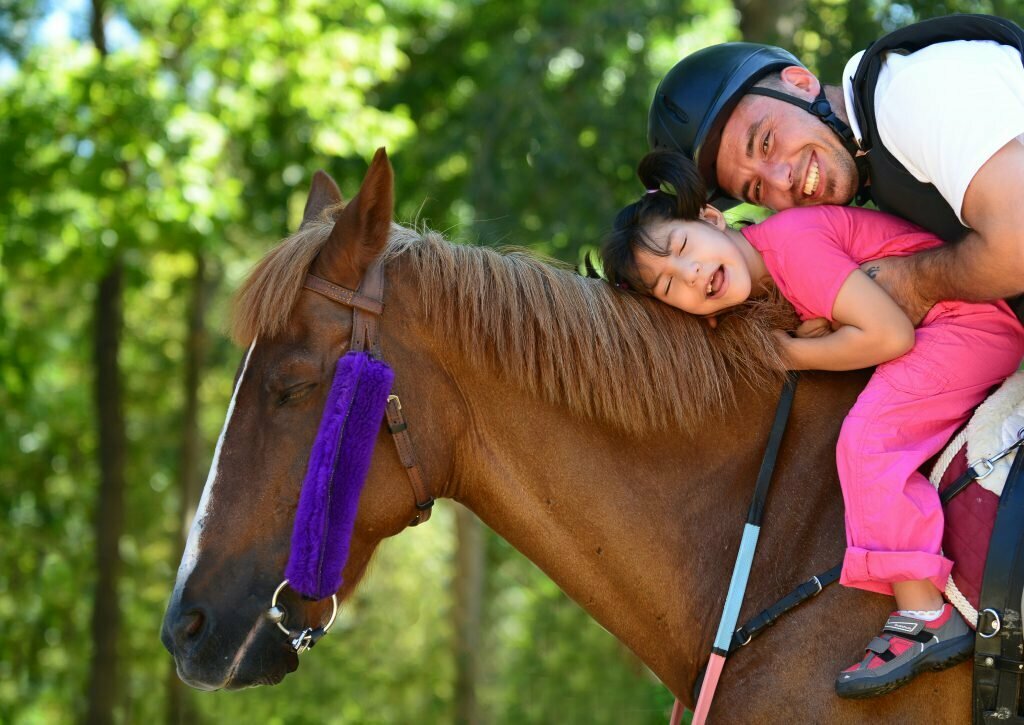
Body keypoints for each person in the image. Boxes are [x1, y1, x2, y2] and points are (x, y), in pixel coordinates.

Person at [600, 150, 1024, 698]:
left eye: (683, 249)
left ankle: (925, 614)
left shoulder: (791, 243)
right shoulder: (764, 272)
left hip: (968, 321)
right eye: (668, 286)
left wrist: (789, 355)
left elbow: (889, 336)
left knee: (868, 443)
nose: (692, 275)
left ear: (711, 218)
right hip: (946, 326)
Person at [646, 15, 1024, 328]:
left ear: (800, 83)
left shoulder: (908, 93)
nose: (780, 180)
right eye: (757, 189)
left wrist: (915, 281)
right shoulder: (878, 165)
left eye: (765, 142)